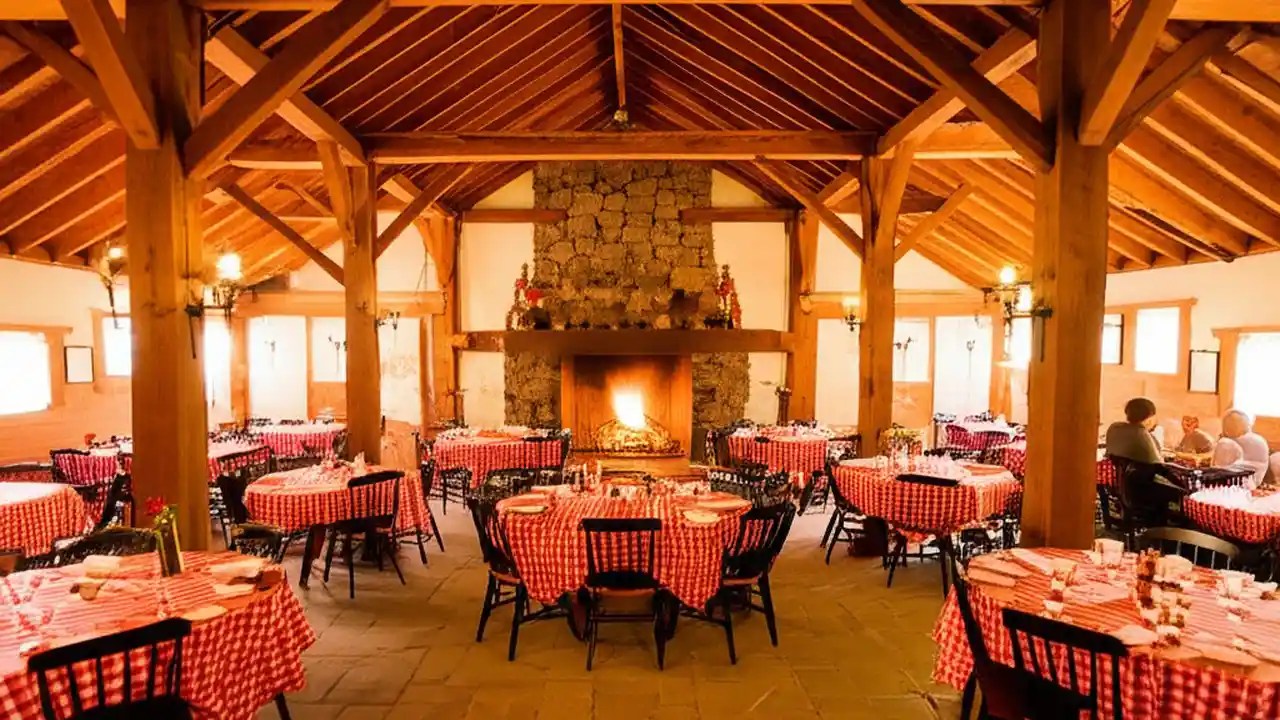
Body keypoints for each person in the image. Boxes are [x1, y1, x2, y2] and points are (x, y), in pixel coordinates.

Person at [1105, 397, 1163, 464]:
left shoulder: (1114, 428)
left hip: (1118, 469)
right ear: (1149, 419)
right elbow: (1158, 464)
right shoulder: (1142, 435)